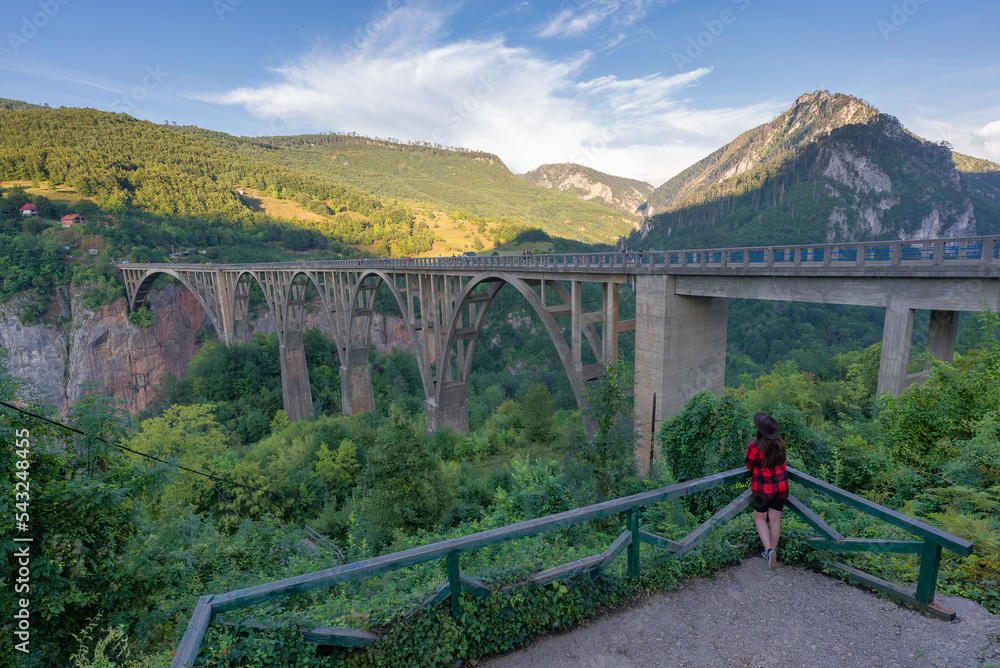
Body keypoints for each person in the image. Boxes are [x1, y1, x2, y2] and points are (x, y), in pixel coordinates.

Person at [746, 412, 788, 570]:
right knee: (775, 520)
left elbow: (749, 466)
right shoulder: (781, 444)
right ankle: (773, 552)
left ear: (758, 430)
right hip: (781, 487)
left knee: (760, 519)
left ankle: (768, 550)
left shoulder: (754, 446)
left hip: (762, 489)